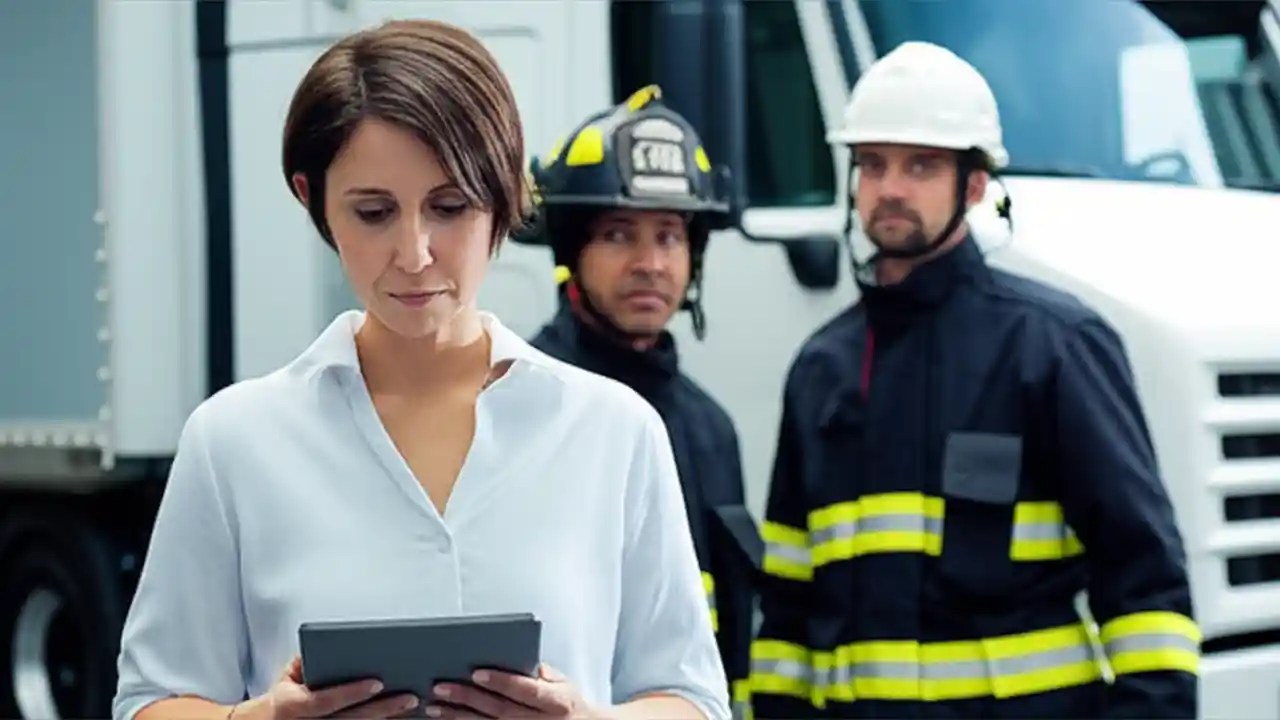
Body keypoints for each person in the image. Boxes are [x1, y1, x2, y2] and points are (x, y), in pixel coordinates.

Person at [110, 19, 730, 720]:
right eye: (374, 212)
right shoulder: (233, 442)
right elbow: (150, 700)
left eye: (450, 207)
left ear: (504, 198)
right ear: (312, 199)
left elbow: (694, 698)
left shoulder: (614, 431)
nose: (414, 253)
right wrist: (256, 719)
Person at [749, 41, 1199, 719]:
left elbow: (1144, 579)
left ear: (976, 185)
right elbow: (788, 601)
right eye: (872, 163)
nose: (890, 188)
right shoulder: (821, 368)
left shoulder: (1053, 344)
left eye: (921, 165)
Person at [517, 85, 759, 719]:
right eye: (619, 234)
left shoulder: (709, 428)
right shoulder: (518, 405)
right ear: (570, 251)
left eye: (671, 236)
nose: (651, 263)